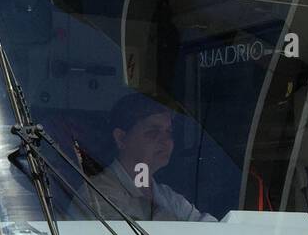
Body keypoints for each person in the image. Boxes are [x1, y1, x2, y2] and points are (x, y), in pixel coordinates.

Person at [72, 93, 216, 222]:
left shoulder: (166, 196)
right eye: (153, 132)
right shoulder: (95, 194)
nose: (165, 141)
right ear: (121, 138)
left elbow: (207, 227)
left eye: (169, 132)